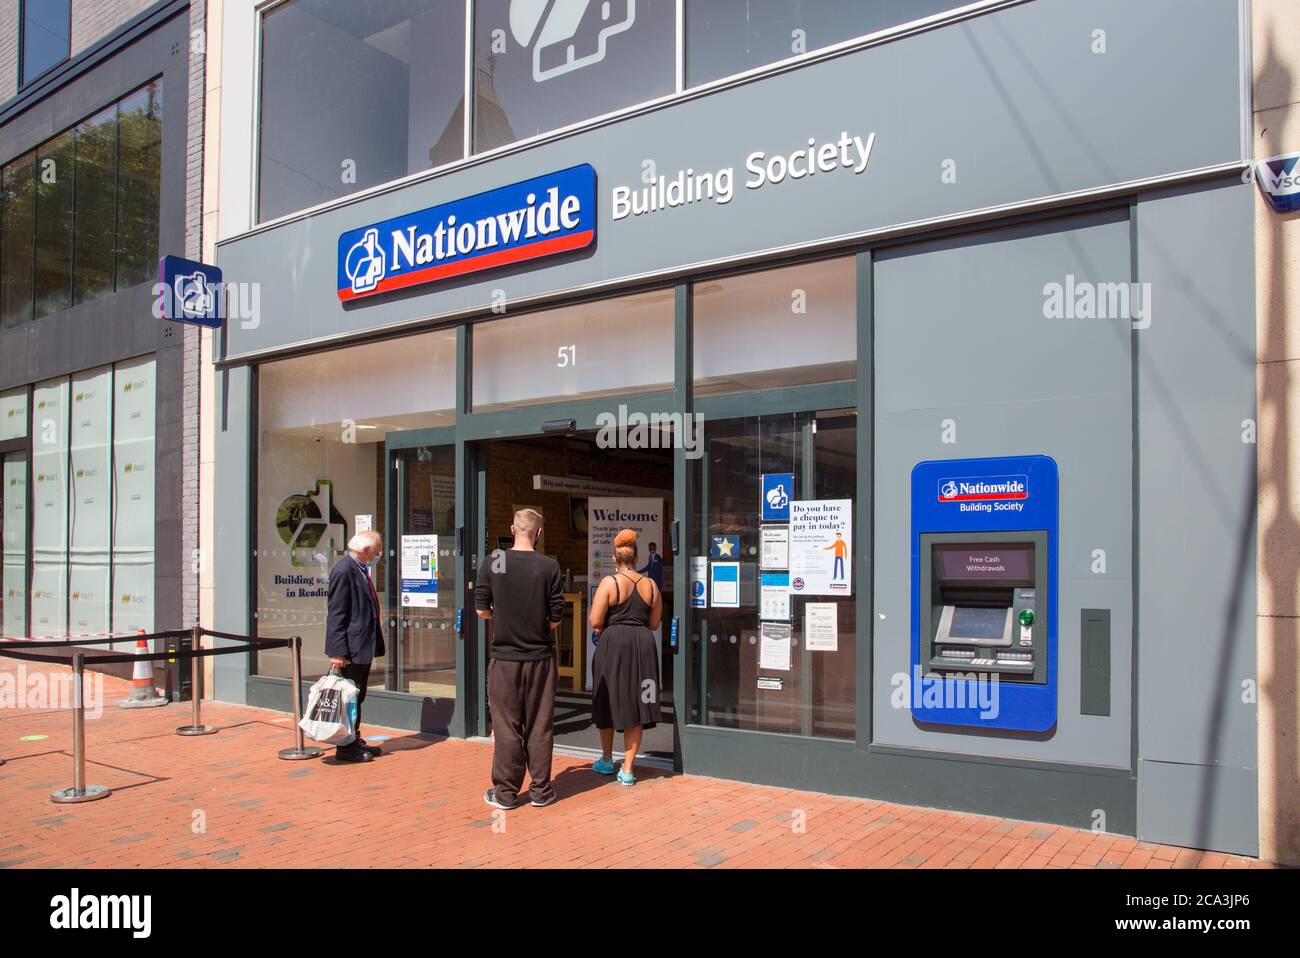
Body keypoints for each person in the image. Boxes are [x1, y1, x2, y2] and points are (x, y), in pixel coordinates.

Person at [475, 508, 564, 809]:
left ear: (512, 528)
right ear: (538, 533)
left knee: (506, 725)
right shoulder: (549, 565)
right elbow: (555, 618)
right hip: (540, 657)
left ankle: (506, 794)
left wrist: (503, 620)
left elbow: (481, 610)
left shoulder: (494, 561)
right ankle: (541, 791)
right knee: (540, 724)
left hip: (504, 657)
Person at [589, 528, 664, 786]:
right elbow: (655, 623)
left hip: (614, 644)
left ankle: (607, 759)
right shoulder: (651, 585)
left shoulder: (610, 582)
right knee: (637, 703)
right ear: (636, 557)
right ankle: (628, 769)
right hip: (642, 644)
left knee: (608, 698)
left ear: (614, 558)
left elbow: (595, 620)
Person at [325, 529, 386, 763]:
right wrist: (337, 652)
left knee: (357, 695)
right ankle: (346, 747)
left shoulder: (360, 569)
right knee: (350, 698)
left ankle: (354, 738)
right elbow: (336, 614)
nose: (378, 554)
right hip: (350, 649)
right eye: (377, 550)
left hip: (362, 646)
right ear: (367, 549)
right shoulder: (344, 570)